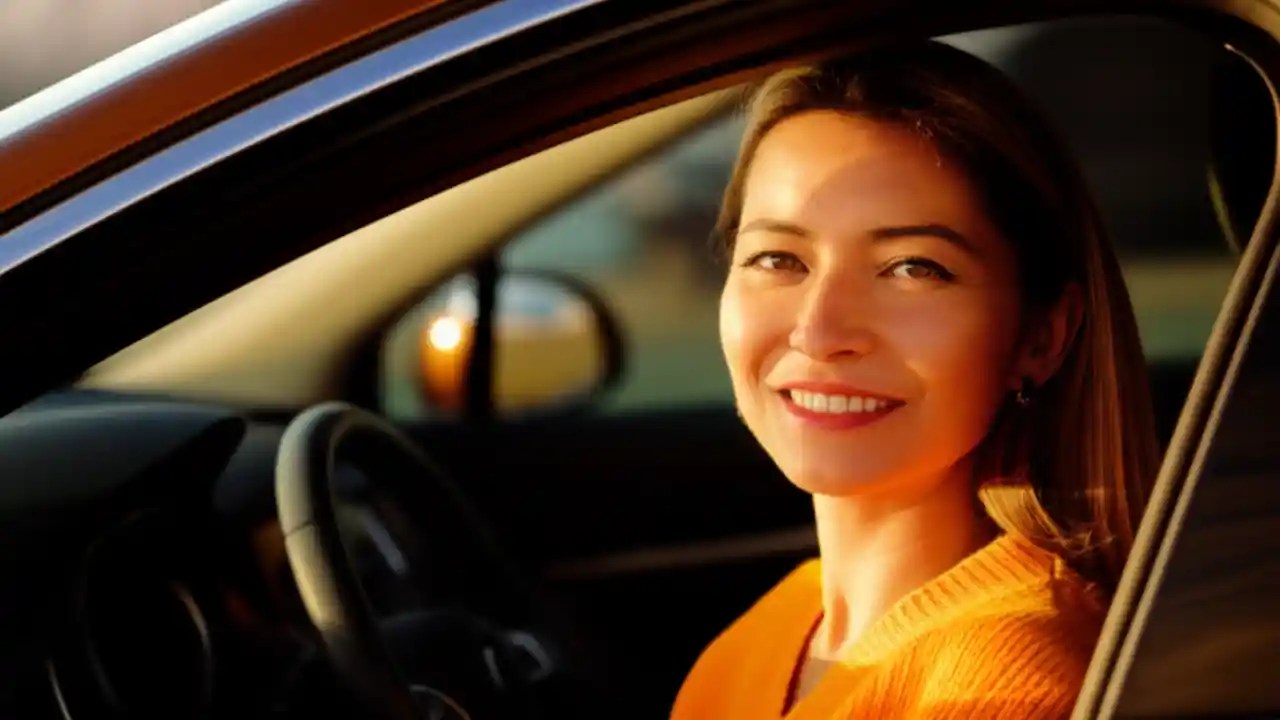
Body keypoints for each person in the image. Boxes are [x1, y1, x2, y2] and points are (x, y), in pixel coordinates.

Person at [670, 41, 1158, 719]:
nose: (819, 331)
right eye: (778, 257)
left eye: (913, 268)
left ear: (1040, 337)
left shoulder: (1009, 678)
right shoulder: (771, 629)